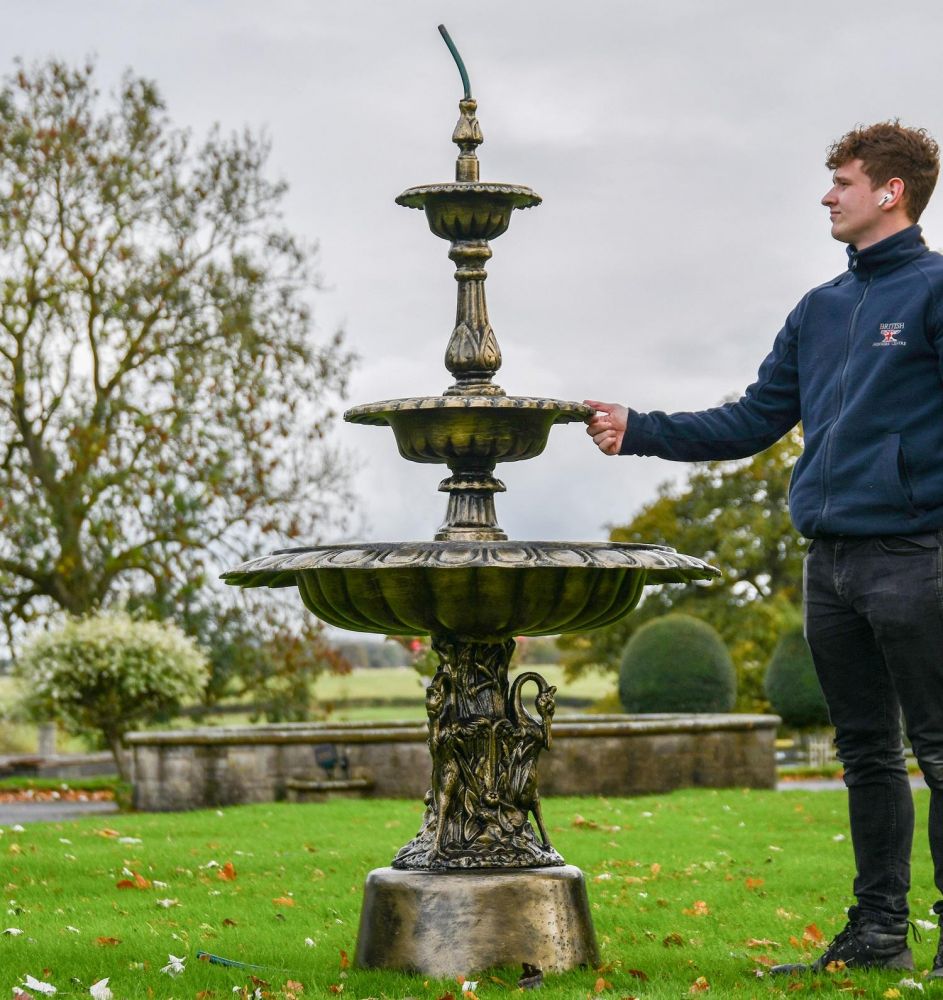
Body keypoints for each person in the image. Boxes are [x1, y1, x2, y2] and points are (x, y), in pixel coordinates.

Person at [585, 120, 943, 977]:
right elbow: (751, 420)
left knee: (938, 749)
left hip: (916, 558)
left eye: (843, 183)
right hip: (830, 564)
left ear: (887, 191)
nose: (826, 196)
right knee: (863, 756)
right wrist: (641, 430)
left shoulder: (933, 292)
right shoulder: (818, 310)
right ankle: (876, 934)